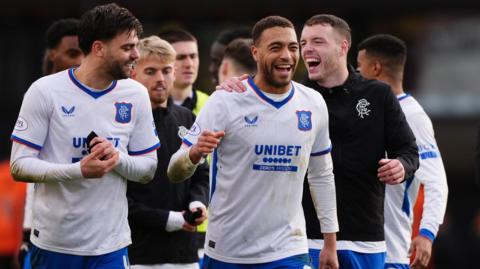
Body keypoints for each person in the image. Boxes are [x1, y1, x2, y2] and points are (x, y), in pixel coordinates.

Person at [218, 14, 419, 269]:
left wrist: (402, 165)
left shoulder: (377, 95)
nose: (307, 49)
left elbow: (409, 151)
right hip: (306, 239)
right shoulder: (294, 96)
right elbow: (257, 95)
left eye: (317, 42)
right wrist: (234, 86)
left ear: (343, 47)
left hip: (366, 239)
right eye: (302, 43)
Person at [168, 16, 339, 269]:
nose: (287, 55)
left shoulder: (312, 103)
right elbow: (174, 170)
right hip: (228, 250)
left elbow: (322, 175)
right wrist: (194, 154)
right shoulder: (225, 101)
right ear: (256, 53)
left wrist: (330, 242)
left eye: (293, 48)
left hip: (288, 249)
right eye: (276, 47)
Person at [10, 3, 160, 269]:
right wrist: (79, 169)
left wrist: (117, 160)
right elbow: (19, 166)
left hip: (111, 245)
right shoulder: (45, 91)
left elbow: (148, 169)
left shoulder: (135, 94)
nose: (136, 54)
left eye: (136, 46)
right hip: (55, 243)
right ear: (99, 48)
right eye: (127, 47)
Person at [356, 34, 448, 269]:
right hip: (354, 249)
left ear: (375, 68)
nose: (356, 74)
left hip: (390, 253)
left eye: (359, 66)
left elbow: (437, 182)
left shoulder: (412, 115)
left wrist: (426, 234)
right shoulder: (364, 110)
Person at [127, 35, 209, 269]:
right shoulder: (123, 123)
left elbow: (202, 174)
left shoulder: (186, 118)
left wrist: (197, 204)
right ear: (133, 73)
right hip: (137, 254)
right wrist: (169, 220)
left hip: (184, 253)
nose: (160, 79)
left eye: (166, 70)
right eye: (151, 71)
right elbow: (118, 194)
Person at [19, 18, 85, 269]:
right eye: (72, 53)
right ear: (53, 55)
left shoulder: (110, 99)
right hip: (50, 233)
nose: (80, 60)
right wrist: (27, 231)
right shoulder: (39, 98)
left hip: (102, 233)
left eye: (84, 52)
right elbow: (26, 171)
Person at [158, 29, 208, 116]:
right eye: (180, 57)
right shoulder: (146, 105)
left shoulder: (210, 104)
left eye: (193, 56)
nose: (189, 64)